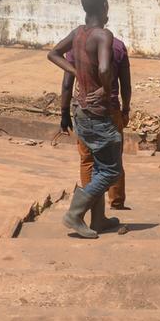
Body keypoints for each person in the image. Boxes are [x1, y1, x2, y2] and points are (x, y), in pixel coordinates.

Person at [47, 0, 124, 239]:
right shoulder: (103, 35)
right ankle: (74, 213)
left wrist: (76, 72)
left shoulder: (78, 33)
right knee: (111, 171)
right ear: (104, 6)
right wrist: (106, 88)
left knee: (100, 165)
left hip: (81, 111)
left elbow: (53, 54)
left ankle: (99, 219)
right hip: (96, 112)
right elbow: (104, 66)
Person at [60, 36, 130, 211]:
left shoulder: (76, 43)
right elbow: (125, 84)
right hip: (110, 109)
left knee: (87, 159)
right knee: (113, 160)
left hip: (83, 109)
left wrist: (64, 112)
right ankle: (116, 202)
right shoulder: (117, 46)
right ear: (104, 12)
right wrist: (126, 109)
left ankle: (91, 207)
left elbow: (67, 84)